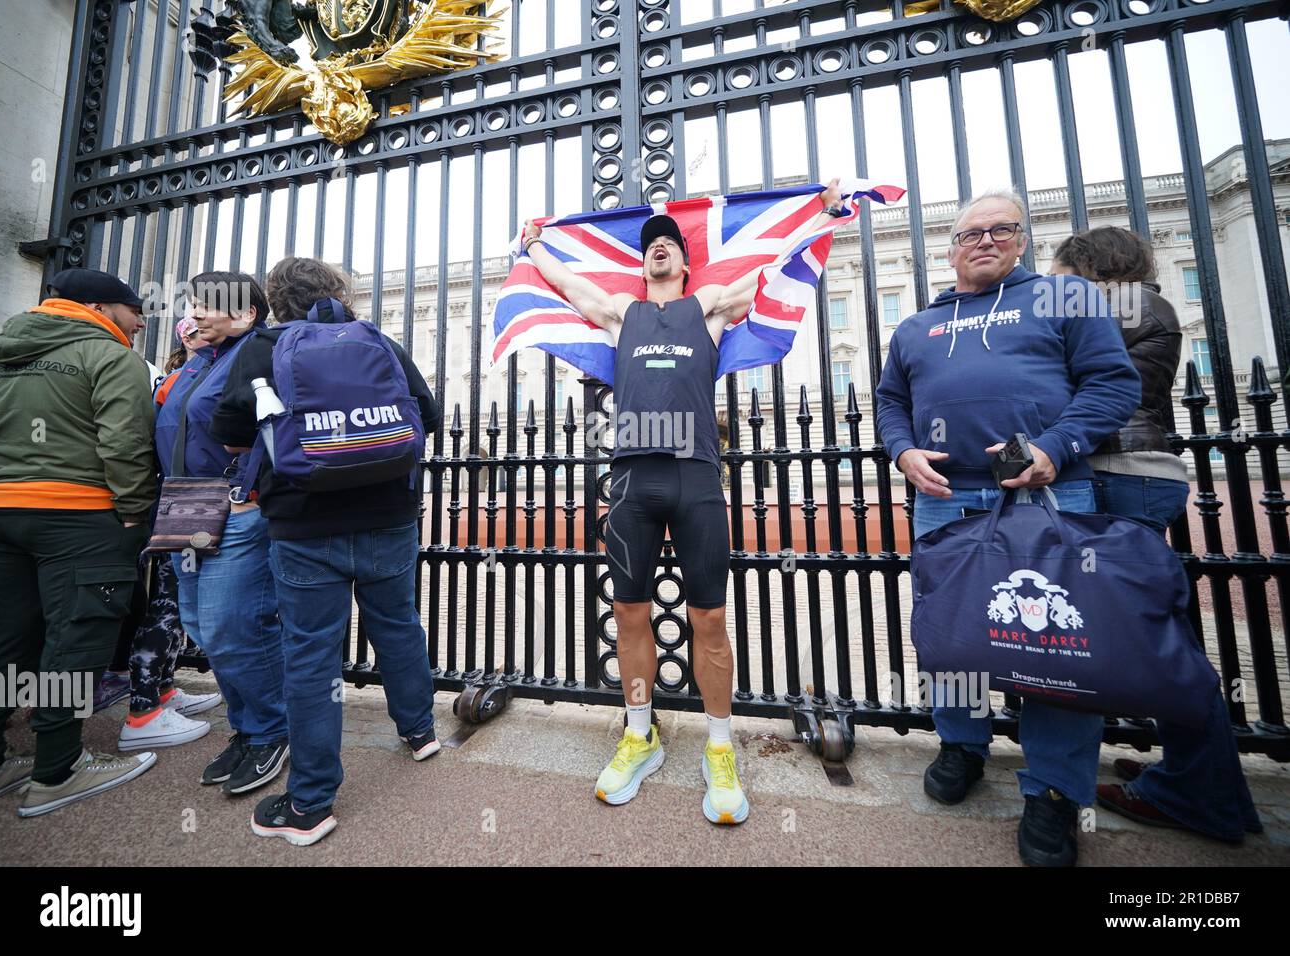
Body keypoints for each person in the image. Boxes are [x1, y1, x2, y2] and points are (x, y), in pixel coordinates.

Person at [521, 179, 848, 825]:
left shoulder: (711, 307)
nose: (659, 249)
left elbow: (775, 264)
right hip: (634, 479)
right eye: (651, 246)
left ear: (687, 260)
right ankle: (639, 734)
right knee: (631, 612)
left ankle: (720, 747)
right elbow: (569, 287)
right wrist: (536, 246)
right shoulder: (621, 311)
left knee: (710, 621)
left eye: (669, 243)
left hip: (697, 476)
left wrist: (822, 214)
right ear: (643, 263)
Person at [875, 191, 1141, 866]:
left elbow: (1113, 384)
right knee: (954, 632)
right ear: (951, 246)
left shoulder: (1063, 301)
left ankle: (1053, 789)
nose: (985, 240)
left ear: (1022, 239)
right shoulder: (915, 328)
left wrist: (1057, 445)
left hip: (1049, 495)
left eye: (1001, 229)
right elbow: (890, 404)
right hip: (944, 501)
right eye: (971, 232)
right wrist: (902, 450)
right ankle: (962, 742)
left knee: (1058, 641)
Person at [210, 256, 443, 846]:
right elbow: (429, 417)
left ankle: (311, 804)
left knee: (311, 658)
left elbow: (229, 430)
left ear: (275, 300)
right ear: (338, 293)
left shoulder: (263, 348)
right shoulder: (376, 340)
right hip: (389, 517)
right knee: (398, 625)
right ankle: (420, 731)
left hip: (303, 525)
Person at [1051, 226, 1263, 844]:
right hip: (1139, 475)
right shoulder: (1147, 307)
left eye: (1060, 277)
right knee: (1163, 637)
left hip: (1119, 474)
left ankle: (1199, 792)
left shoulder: (1115, 308)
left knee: (1159, 647)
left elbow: (1070, 377)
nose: (1051, 290)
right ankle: (1199, 776)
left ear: (1088, 272)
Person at [0, 267, 158, 816]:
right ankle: (57, 769)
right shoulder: (110, 357)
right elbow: (126, 443)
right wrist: (134, 514)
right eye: (136, 312)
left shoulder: (0, 349)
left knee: (5, 638)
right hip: (78, 517)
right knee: (75, 639)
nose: (138, 324)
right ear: (104, 307)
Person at [147, 272, 289, 789]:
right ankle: (249, 728)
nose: (197, 313)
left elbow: (274, 430)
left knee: (236, 627)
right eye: (193, 304)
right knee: (202, 626)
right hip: (184, 505)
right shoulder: (197, 362)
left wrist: (246, 485)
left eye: (209, 305)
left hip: (234, 507)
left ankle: (272, 730)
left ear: (249, 313)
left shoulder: (258, 354)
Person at [96, 316, 215, 716]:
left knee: (172, 603)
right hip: (193, 500)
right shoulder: (187, 380)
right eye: (198, 331)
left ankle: (161, 689)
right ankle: (144, 706)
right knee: (169, 604)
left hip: (174, 498)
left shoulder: (172, 381)